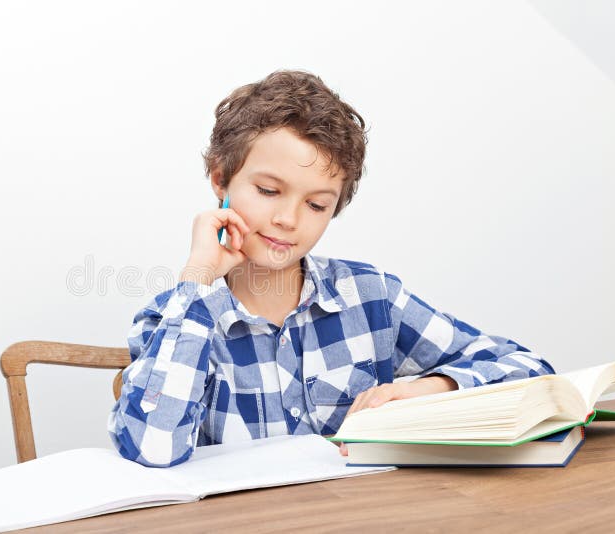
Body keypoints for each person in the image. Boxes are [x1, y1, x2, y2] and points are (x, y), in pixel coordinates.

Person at [107, 69, 554, 467]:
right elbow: (153, 448)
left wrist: (433, 387)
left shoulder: (372, 298)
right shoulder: (176, 317)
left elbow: (528, 370)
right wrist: (198, 278)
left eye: (317, 204)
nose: (289, 219)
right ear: (221, 179)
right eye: (267, 190)